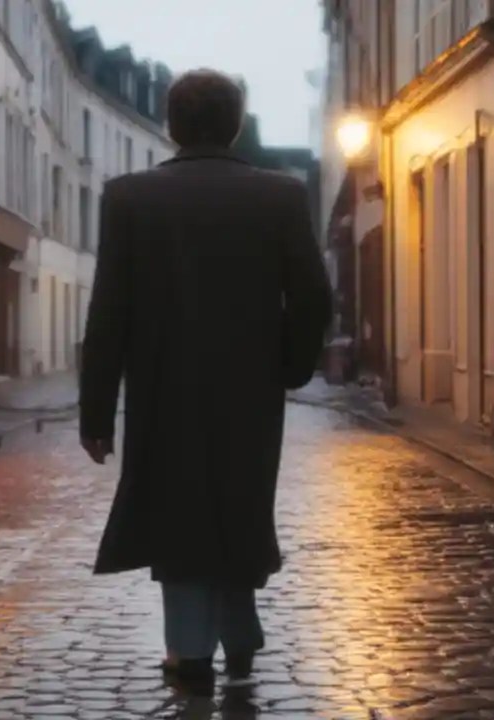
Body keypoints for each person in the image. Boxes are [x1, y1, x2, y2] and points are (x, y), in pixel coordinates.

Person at [78, 68, 333, 696]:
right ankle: (240, 633)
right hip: (250, 390)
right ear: (236, 123)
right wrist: (290, 363)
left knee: (178, 510)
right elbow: (313, 297)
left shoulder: (129, 197)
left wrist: (96, 413)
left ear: (171, 124)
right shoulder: (279, 196)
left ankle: (189, 646)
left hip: (163, 388)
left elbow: (108, 312)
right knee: (239, 503)